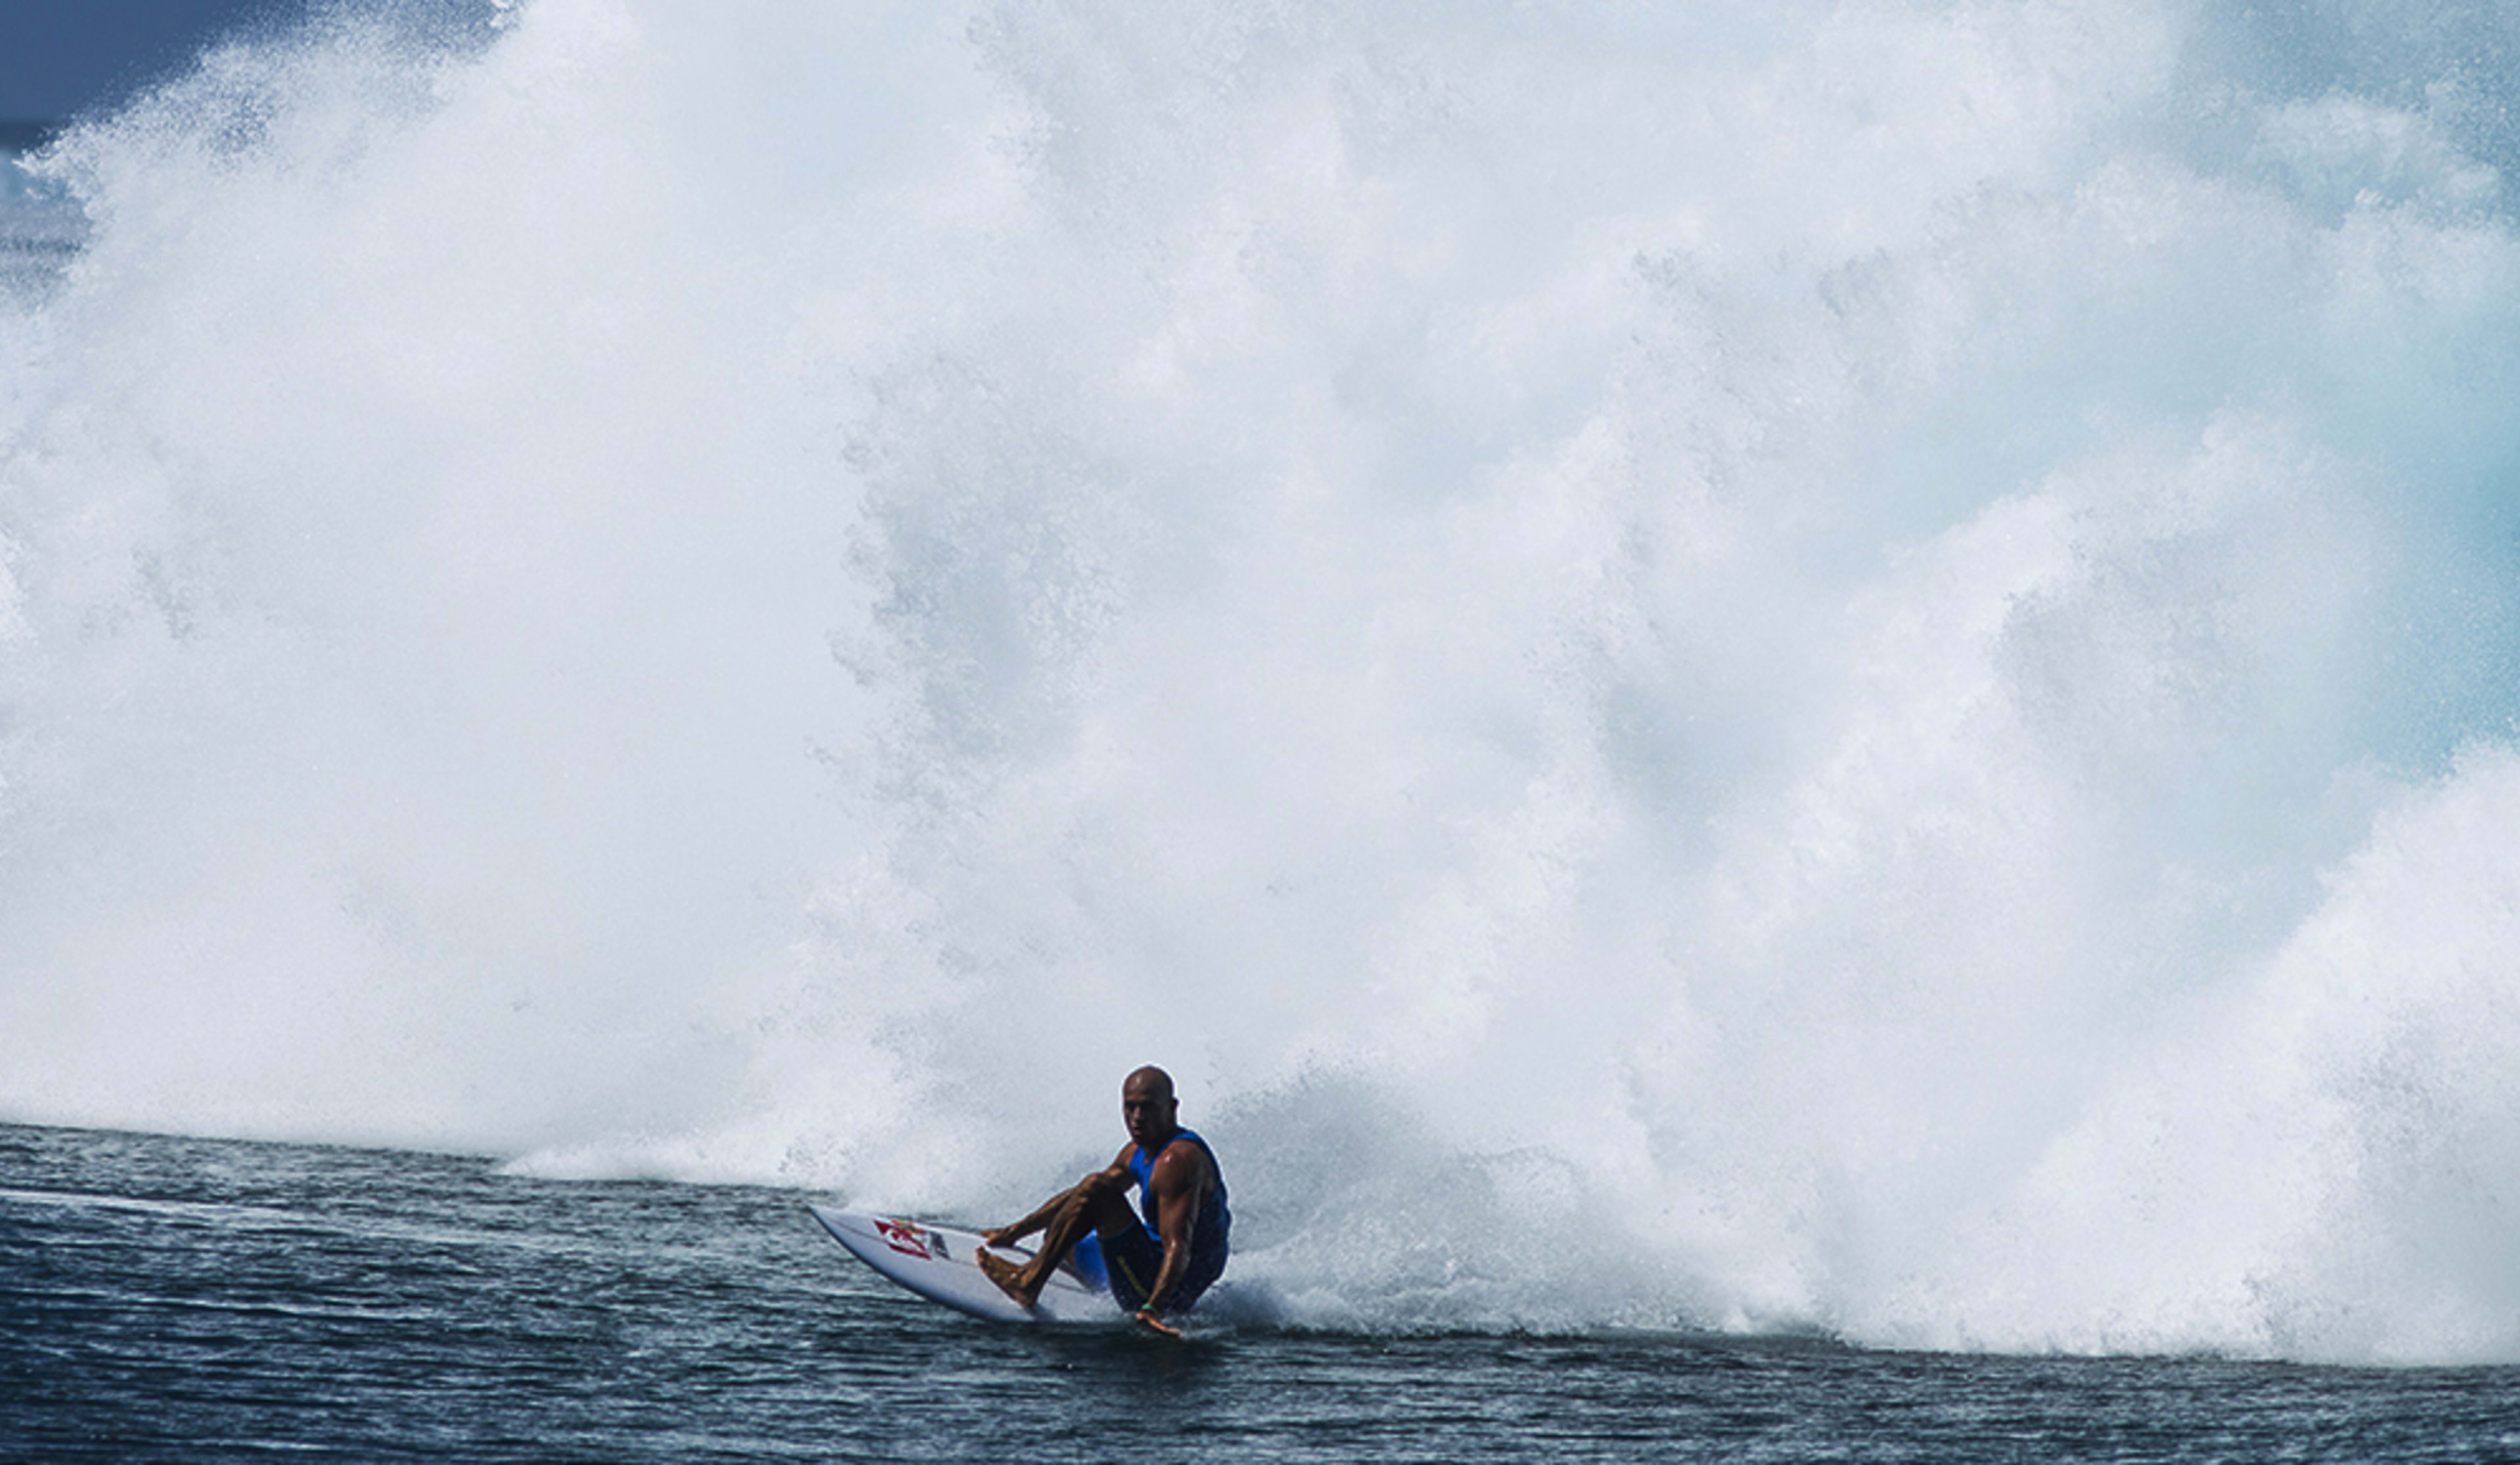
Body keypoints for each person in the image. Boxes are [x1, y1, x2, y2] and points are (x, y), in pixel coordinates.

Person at [976, 1065, 1230, 1336]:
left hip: (1167, 1292)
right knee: (1060, 1233)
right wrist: (1014, 1232)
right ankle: (1041, 1271)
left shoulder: (1177, 1161)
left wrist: (1153, 1308)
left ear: (1172, 1107)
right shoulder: (1137, 1150)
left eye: (1147, 1108)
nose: (1137, 1118)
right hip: (1145, 1266)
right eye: (1130, 1108)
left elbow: (1179, 1247)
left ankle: (1027, 1284)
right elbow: (1079, 1200)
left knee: (1097, 1189)